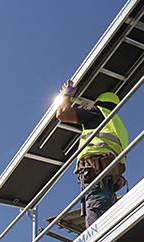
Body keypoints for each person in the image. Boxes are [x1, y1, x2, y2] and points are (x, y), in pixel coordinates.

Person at [55, 80, 129, 227]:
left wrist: (65, 95)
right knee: (104, 211)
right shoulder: (117, 124)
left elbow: (62, 114)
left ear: (99, 103)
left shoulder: (98, 112)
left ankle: (98, 238)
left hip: (95, 170)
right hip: (110, 174)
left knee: (96, 218)